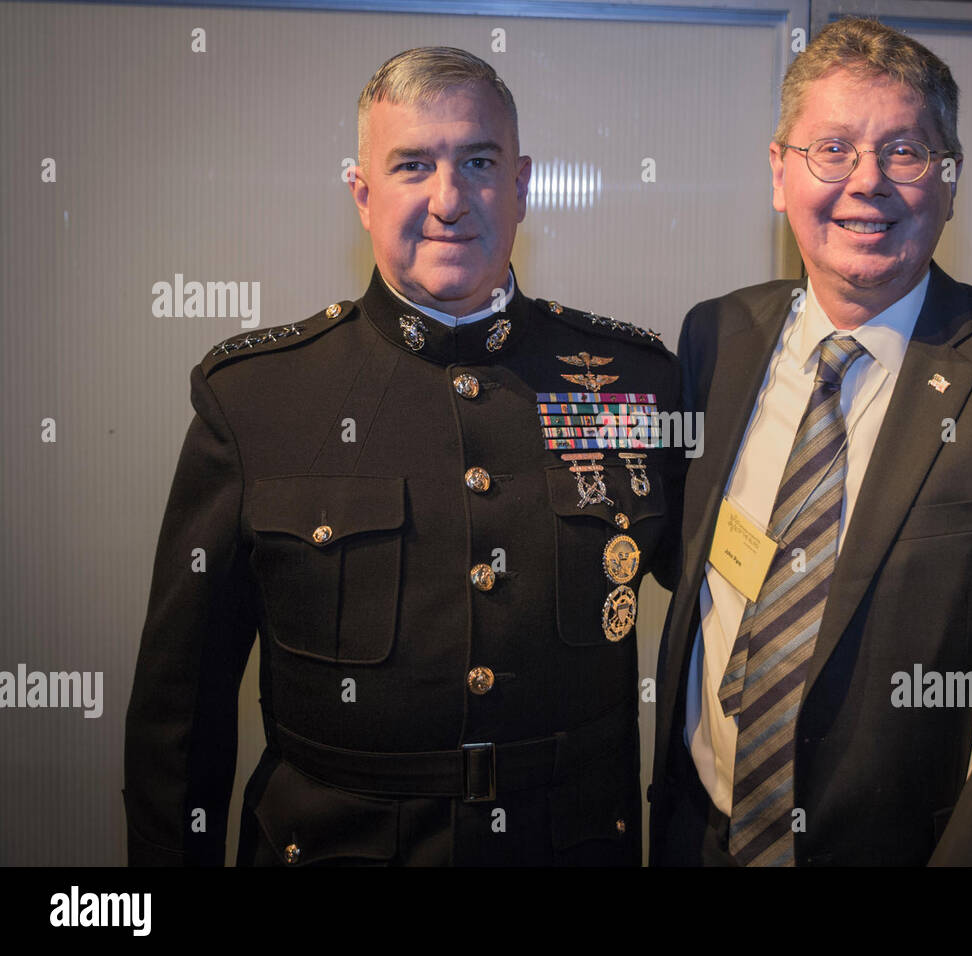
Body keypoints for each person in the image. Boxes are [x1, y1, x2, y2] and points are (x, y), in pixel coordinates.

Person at [124, 47, 683, 866]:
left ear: (522, 184)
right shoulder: (258, 399)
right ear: (362, 193)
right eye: (413, 165)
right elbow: (182, 707)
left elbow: (723, 614)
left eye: (478, 162)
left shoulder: (631, 383)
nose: (449, 200)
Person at [648, 18, 972, 866]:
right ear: (778, 173)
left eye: (904, 152)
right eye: (831, 149)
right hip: (699, 838)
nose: (866, 183)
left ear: (950, 180)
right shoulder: (716, 337)